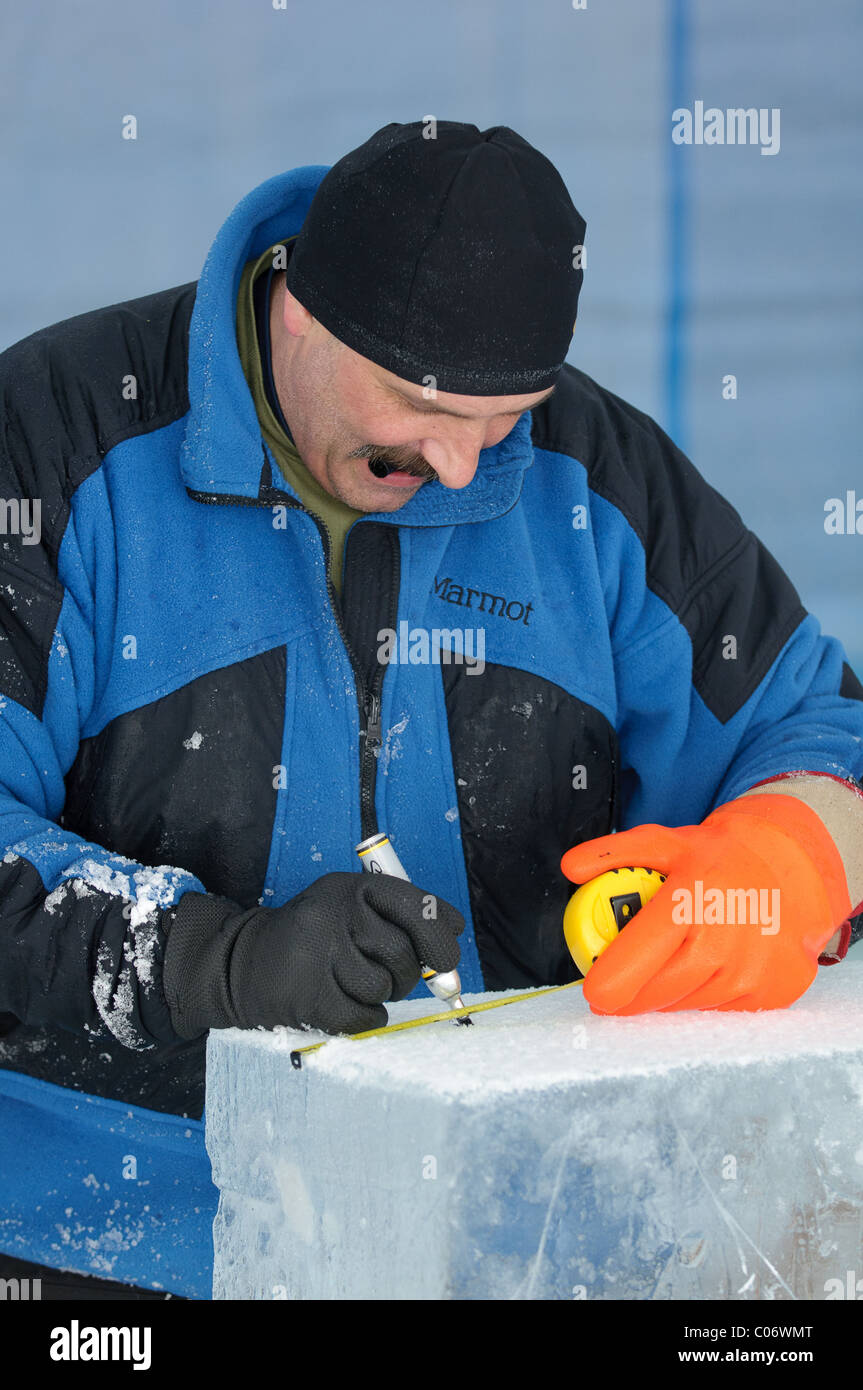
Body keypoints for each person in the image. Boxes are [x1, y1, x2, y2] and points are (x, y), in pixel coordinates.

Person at [0, 120, 861, 1300]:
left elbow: (816, 725)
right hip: (97, 1223)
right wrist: (216, 960)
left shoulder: (590, 476)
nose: (462, 467)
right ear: (299, 315)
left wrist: (790, 853)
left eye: (503, 416)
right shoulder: (54, 442)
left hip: (515, 1225)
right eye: (424, 407)